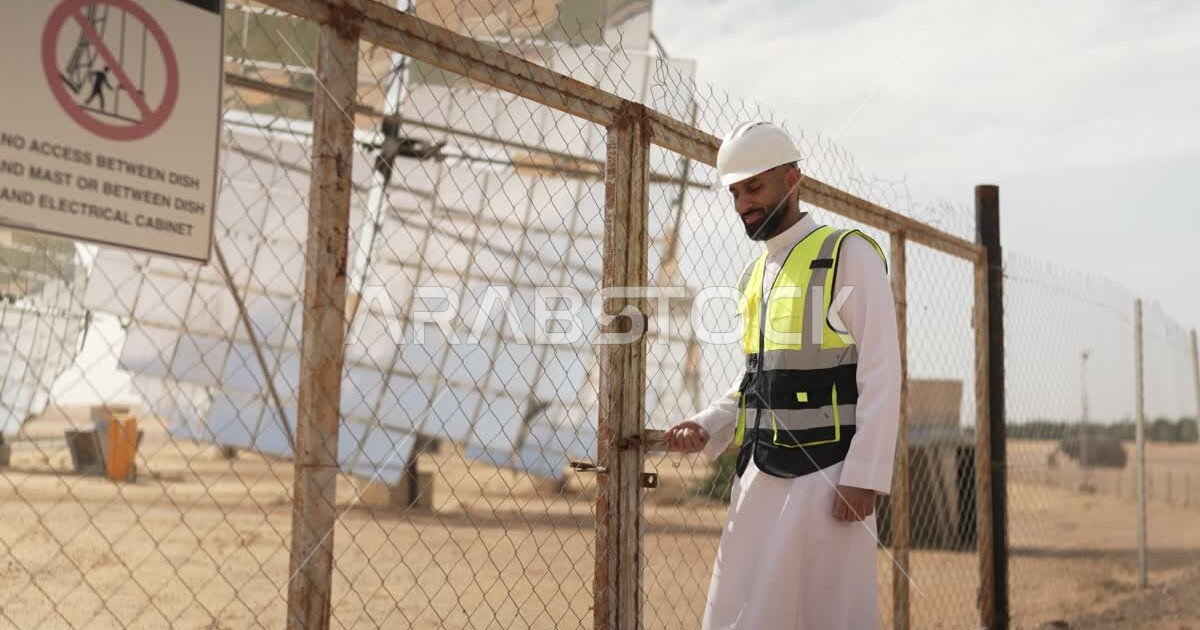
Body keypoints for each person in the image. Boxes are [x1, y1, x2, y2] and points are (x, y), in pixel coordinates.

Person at [664, 121, 901, 629]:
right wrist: (709, 423)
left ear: (792, 180)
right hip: (758, 474)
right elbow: (757, 377)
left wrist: (865, 478)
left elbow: (882, 370)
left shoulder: (847, 254)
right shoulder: (755, 275)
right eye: (734, 193)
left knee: (829, 616)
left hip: (829, 479)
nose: (742, 204)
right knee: (740, 614)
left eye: (754, 187)